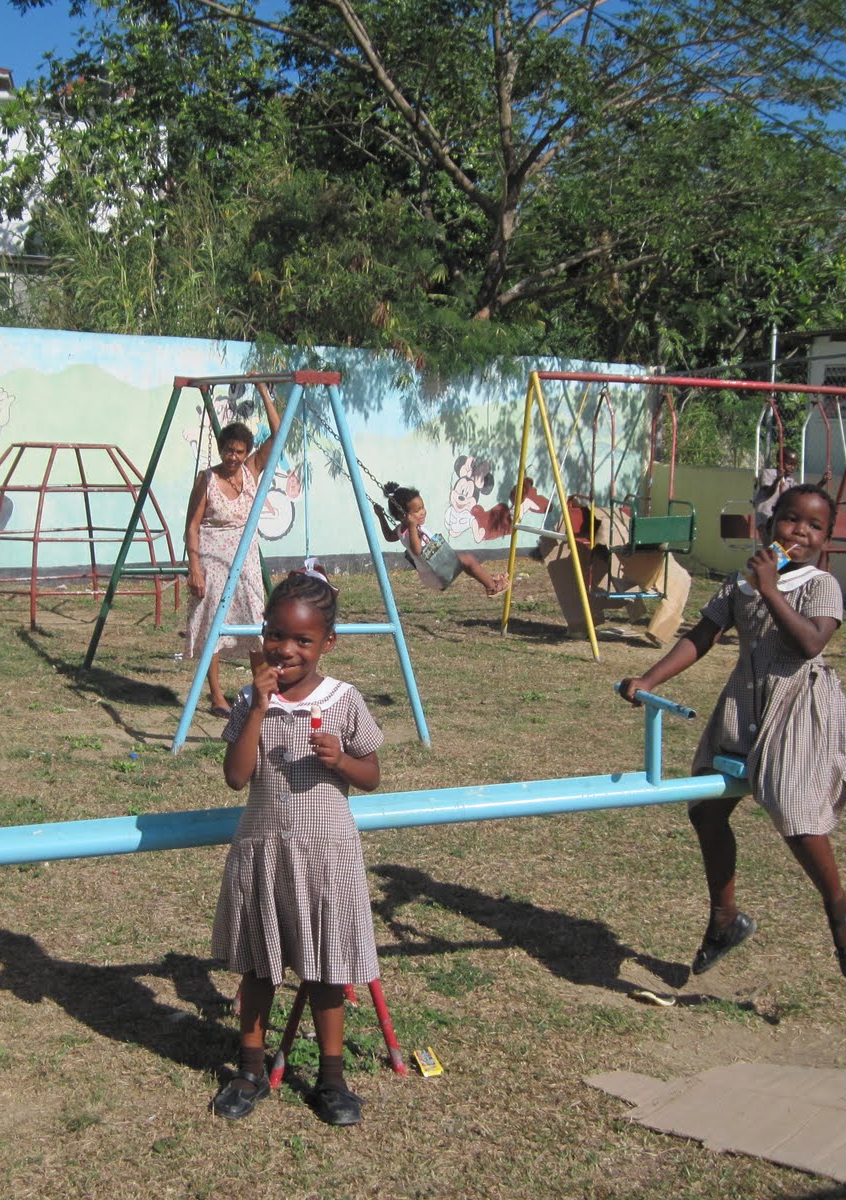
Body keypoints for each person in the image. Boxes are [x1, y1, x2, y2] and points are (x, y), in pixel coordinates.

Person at [618, 485, 846, 980]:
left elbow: (810, 644)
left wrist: (772, 588)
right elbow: (702, 636)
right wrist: (649, 679)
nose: (801, 532)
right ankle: (725, 919)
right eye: (791, 519)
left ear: (825, 540)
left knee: (794, 810)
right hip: (745, 703)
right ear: (769, 525)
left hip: (798, 708)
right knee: (705, 808)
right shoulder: (741, 583)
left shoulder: (821, 585)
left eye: (815, 526)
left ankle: (841, 907)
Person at [210, 566, 384, 1126]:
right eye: (276, 635)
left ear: (327, 643)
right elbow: (236, 777)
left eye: (303, 640)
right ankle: (249, 1069)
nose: (286, 650)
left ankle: (332, 1079)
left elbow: (372, 775)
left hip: (326, 857)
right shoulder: (249, 698)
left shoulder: (343, 700)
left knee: (329, 969)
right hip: (265, 853)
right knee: (260, 968)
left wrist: (342, 761)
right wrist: (259, 711)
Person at [184, 387, 282, 717]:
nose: (233, 457)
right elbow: (192, 525)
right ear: (221, 449)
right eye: (229, 450)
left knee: (255, 621)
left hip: (245, 559)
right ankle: (216, 695)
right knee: (213, 621)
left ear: (246, 452)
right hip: (212, 558)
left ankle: (263, 692)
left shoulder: (251, 472)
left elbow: (278, 433)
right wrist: (194, 567)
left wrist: (263, 390)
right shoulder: (207, 479)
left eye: (239, 451)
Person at [373, 481, 509, 597]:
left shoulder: (400, 530)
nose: (422, 512)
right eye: (416, 511)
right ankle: (492, 587)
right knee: (468, 559)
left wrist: (381, 516)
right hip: (436, 574)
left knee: (465, 564)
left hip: (433, 573)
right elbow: (417, 550)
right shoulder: (411, 530)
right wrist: (412, 526)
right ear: (403, 516)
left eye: (422, 507)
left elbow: (389, 536)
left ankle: (489, 580)